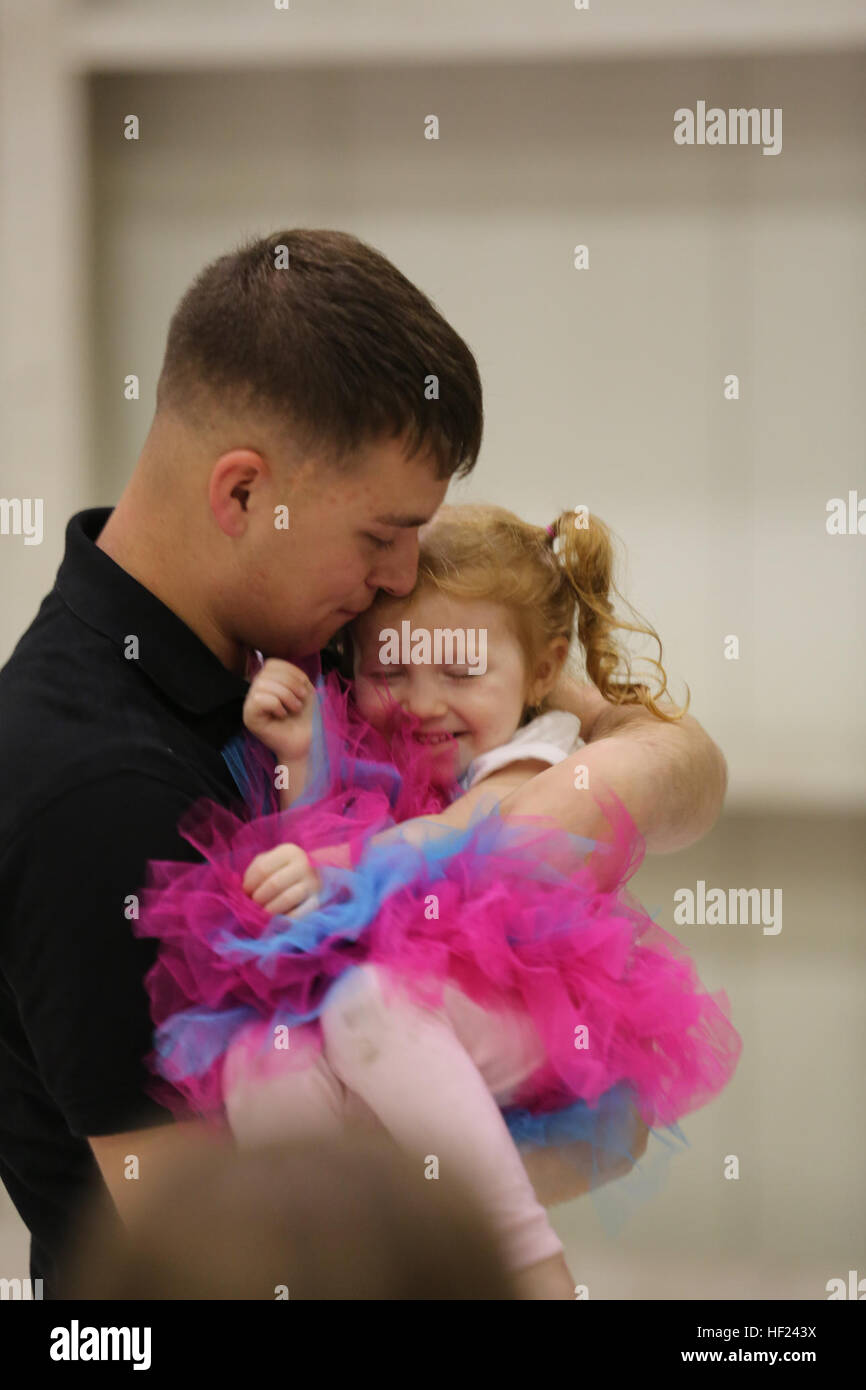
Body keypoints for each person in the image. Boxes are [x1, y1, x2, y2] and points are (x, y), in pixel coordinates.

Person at [0, 227, 726, 1302]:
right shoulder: (94, 789)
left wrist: (578, 792)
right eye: (384, 535)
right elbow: (240, 1250)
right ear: (242, 494)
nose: (403, 578)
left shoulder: (307, 632)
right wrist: (577, 1149)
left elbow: (670, 751)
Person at [132, 501, 740, 1300]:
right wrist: (299, 759)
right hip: (426, 1022)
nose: (422, 701)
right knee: (262, 1059)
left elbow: (465, 830)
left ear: (546, 668)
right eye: (391, 672)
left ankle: (528, 1266)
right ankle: (326, 1263)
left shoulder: (538, 754)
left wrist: (343, 866)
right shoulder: (382, 754)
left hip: (541, 1009)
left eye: (460, 673)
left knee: (367, 1004)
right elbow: (320, 836)